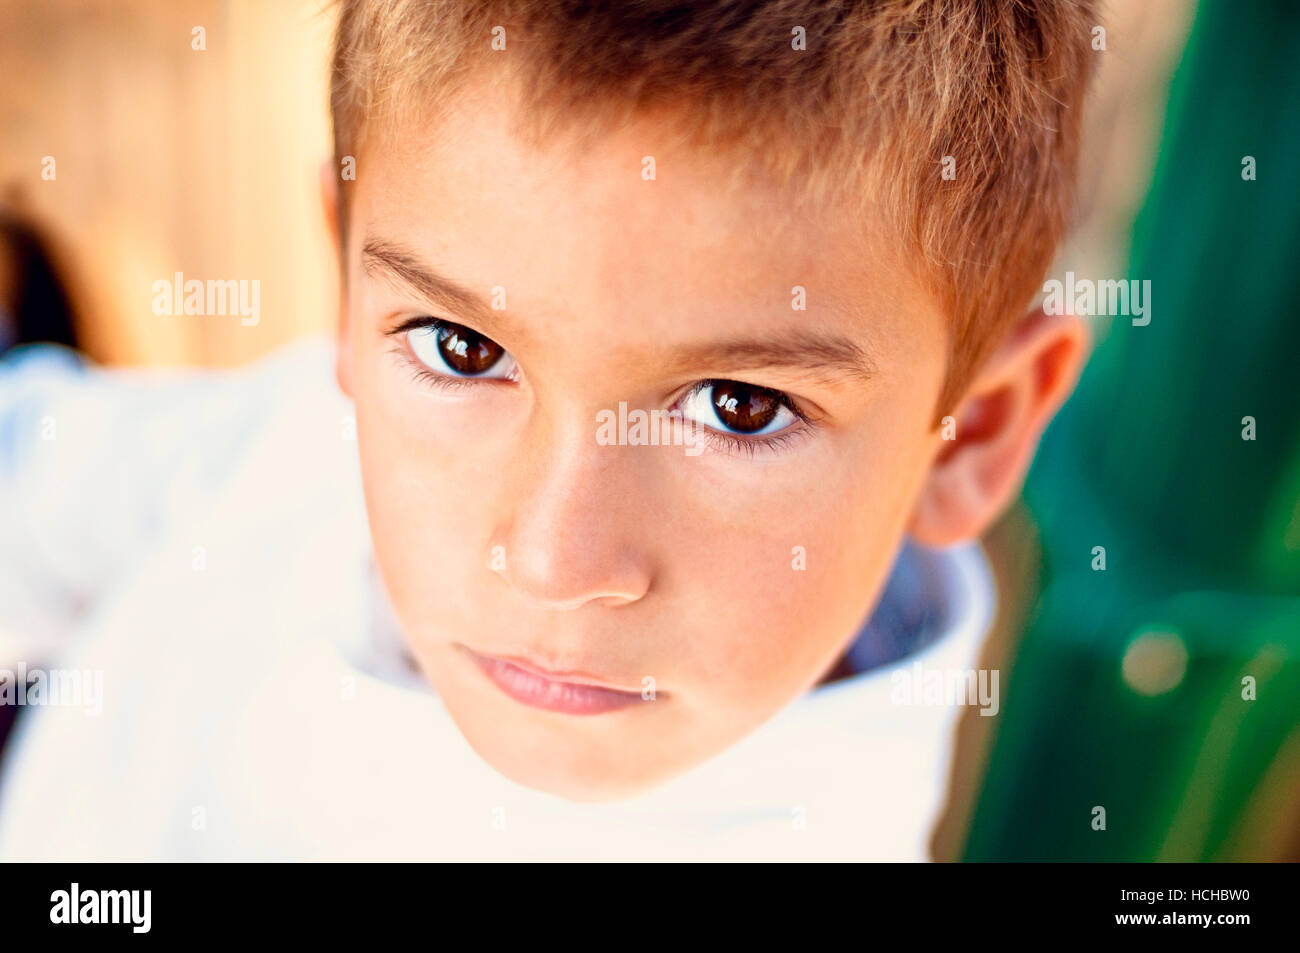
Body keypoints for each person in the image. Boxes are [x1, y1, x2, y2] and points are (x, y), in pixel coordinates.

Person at [0, 0, 1096, 860]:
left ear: (969, 433)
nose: (546, 558)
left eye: (739, 407)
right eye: (462, 349)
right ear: (348, 288)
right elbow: (63, 488)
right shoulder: (318, 435)